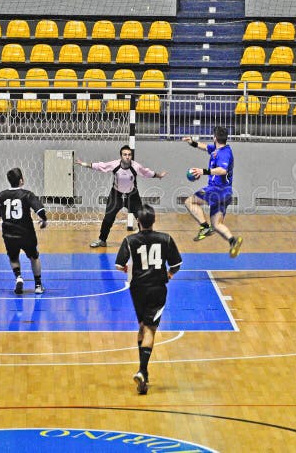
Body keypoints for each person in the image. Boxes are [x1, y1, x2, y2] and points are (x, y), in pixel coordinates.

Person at [114, 204, 182, 395]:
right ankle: (142, 370)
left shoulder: (129, 240)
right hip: (157, 289)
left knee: (142, 326)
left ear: (138, 222)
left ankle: (144, 372)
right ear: (154, 220)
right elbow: (176, 264)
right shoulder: (165, 239)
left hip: (137, 290)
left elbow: (119, 265)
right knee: (150, 329)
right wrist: (169, 274)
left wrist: (128, 268)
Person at [76, 145, 167, 248]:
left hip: (132, 195)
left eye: (129, 155)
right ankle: (102, 240)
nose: (127, 157)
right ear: (121, 156)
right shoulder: (115, 164)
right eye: (125, 155)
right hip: (116, 195)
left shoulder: (135, 166)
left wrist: (159, 176)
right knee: (108, 218)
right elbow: (100, 166)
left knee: (142, 218)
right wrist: (83, 164)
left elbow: (146, 172)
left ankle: (145, 241)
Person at [182, 126, 243, 258]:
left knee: (189, 201)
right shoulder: (218, 148)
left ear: (215, 138)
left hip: (217, 190)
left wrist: (203, 171)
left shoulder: (224, 153)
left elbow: (223, 170)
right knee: (216, 224)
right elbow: (205, 147)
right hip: (225, 194)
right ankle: (233, 241)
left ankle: (204, 226)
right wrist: (192, 142)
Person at [0, 168, 48, 295]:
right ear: (21, 180)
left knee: (13, 257)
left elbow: (0, 214)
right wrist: (44, 220)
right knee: (34, 257)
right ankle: (38, 285)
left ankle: (19, 277)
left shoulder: (2, 195)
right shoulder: (27, 194)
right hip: (26, 234)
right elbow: (40, 211)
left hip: (9, 234)